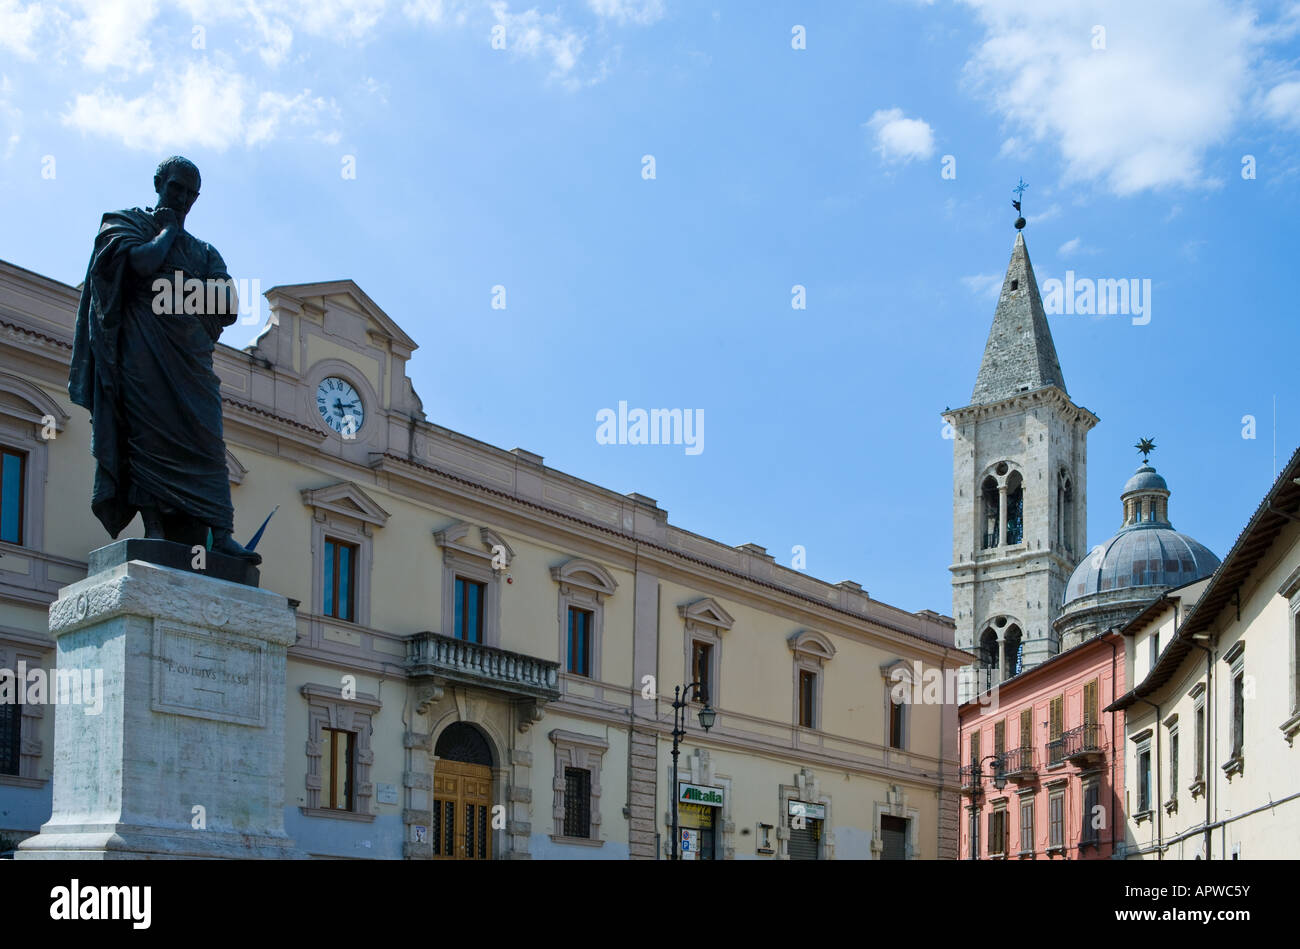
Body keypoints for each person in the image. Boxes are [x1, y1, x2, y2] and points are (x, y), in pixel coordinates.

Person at [69, 156, 261, 564]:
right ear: (159, 182)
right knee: (147, 437)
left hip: (192, 365)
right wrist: (168, 235)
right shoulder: (124, 222)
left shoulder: (204, 251)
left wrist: (169, 287)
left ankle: (221, 533)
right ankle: (154, 528)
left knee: (209, 442)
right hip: (143, 357)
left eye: (191, 194)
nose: (183, 198)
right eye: (176, 188)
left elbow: (228, 304)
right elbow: (138, 264)